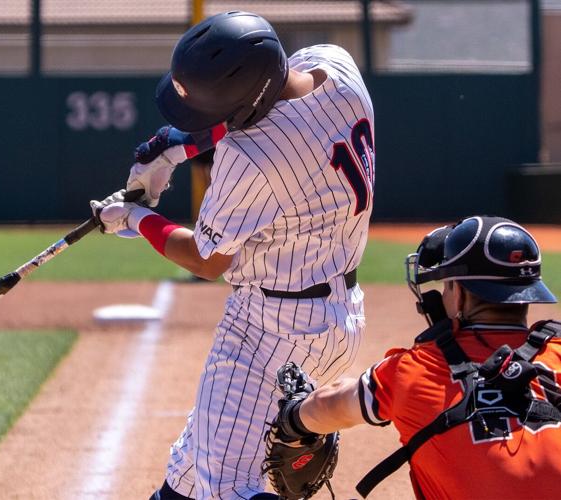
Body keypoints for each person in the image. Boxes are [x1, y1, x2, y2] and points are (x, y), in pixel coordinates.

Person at [91, 11, 375, 498]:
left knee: (225, 488)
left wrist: (133, 218)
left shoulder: (251, 158)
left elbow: (206, 260)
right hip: (335, 314)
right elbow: (275, 108)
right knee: (189, 471)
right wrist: (175, 146)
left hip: (272, 329)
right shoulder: (337, 67)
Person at [273, 216, 561, 499]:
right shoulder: (557, 352)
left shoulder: (419, 367)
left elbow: (329, 404)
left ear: (459, 293)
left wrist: (293, 419)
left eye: (447, 285)